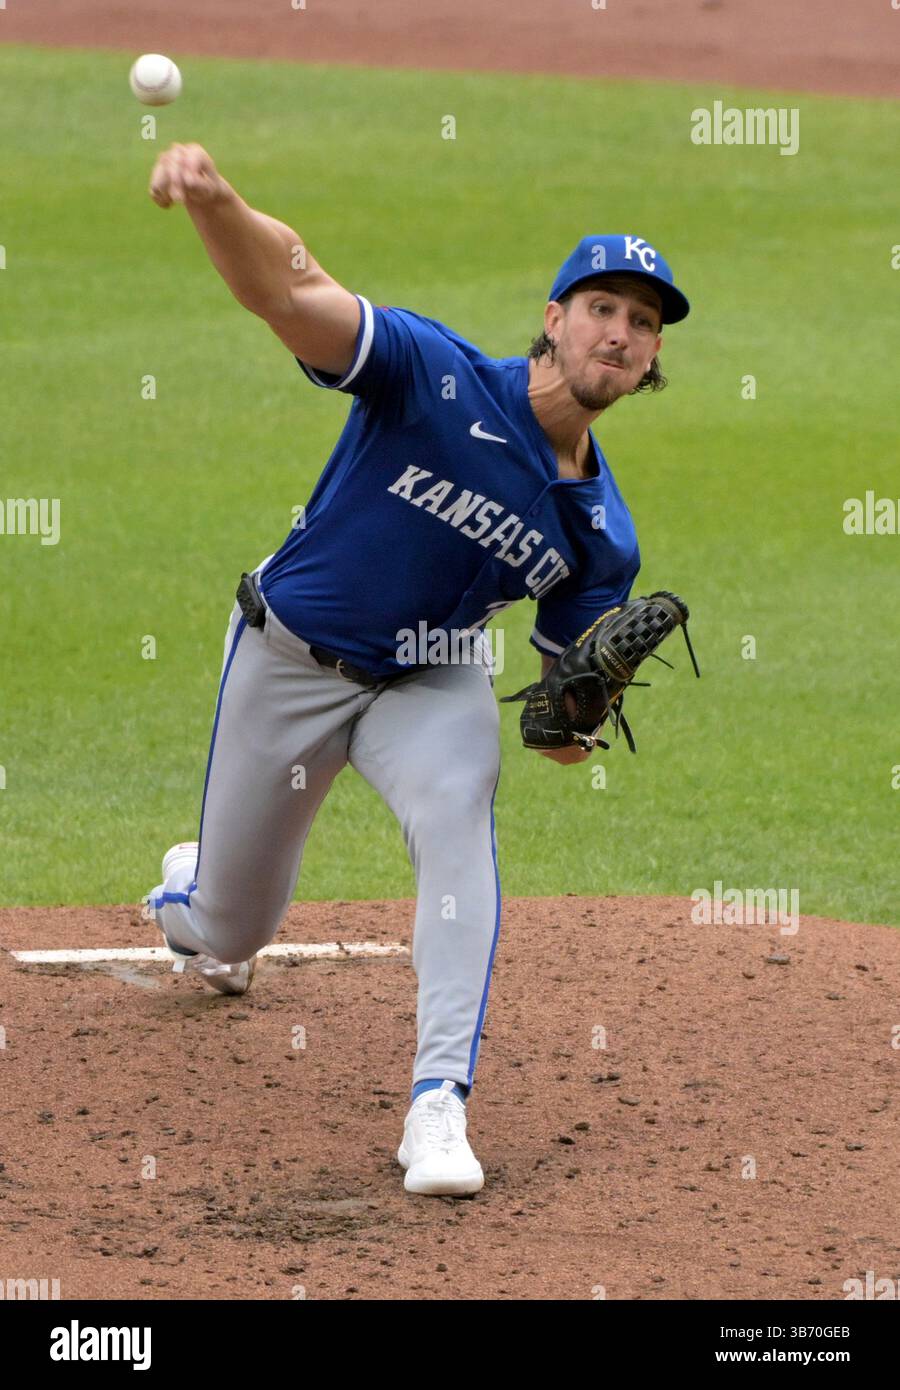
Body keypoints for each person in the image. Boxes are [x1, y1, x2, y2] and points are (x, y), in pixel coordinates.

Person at [142, 143, 690, 1197]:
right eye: (604, 308)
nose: (620, 334)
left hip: (428, 682)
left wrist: (586, 704)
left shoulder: (602, 536)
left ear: (651, 353)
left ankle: (438, 1103)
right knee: (227, 929)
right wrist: (218, 202)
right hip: (288, 659)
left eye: (644, 323)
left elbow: (563, 741)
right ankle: (192, 886)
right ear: (556, 315)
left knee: (457, 806)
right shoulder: (429, 373)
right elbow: (291, 287)